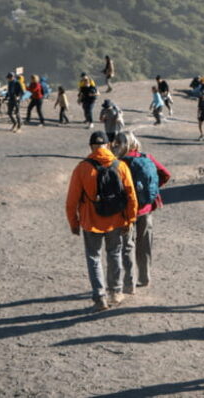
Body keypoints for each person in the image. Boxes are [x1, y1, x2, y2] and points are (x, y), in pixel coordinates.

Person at [65, 131, 138, 311]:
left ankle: (99, 298)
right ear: (108, 145)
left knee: (94, 257)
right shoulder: (120, 166)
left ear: (91, 147)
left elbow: (71, 200)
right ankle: (116, 292)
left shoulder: (82, 168)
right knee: (114, 254)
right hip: (116, 220)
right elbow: (131, 197)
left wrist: (74, 223)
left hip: (91, 222)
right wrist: (130, 220)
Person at [112, 131, 171, 289]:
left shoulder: (119, 163)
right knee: (145, 243)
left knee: (127, 245)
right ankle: (144, 277)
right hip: (146, 208)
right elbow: (166, 174)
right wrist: (152, 190)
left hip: (126, 210)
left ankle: (129, 281)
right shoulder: (146, 157)